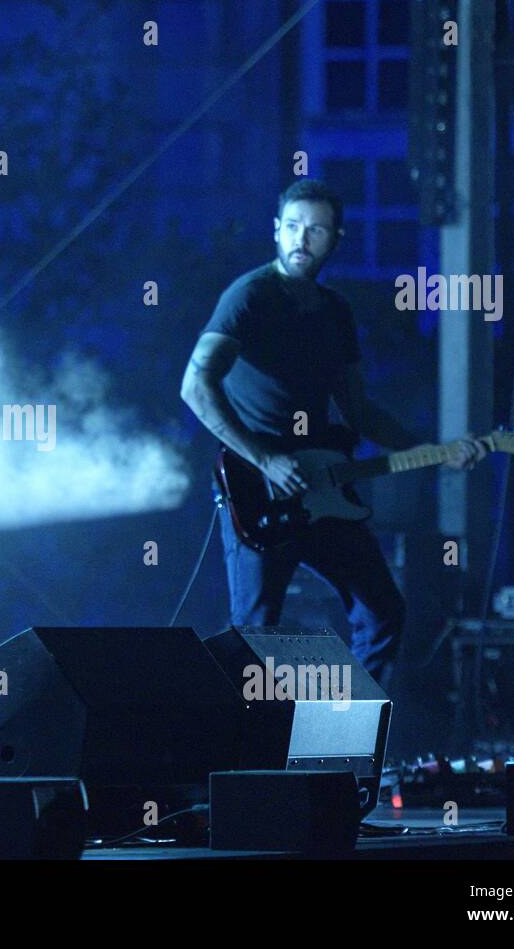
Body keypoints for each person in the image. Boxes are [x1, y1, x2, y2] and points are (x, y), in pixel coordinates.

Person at [180, 179, 486, 688]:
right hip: (259, 491)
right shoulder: (248, 297)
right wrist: (265, 460)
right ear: (276, 231)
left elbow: (359, 411)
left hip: (324, 488)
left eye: (316, 230)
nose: (302, 239)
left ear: (336, 239)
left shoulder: (335, 311)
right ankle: (244, 760)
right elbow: (195, 385)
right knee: (255, 636)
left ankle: (345, 745)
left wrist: (437, 453)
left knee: (384, 612)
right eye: (293, 227)